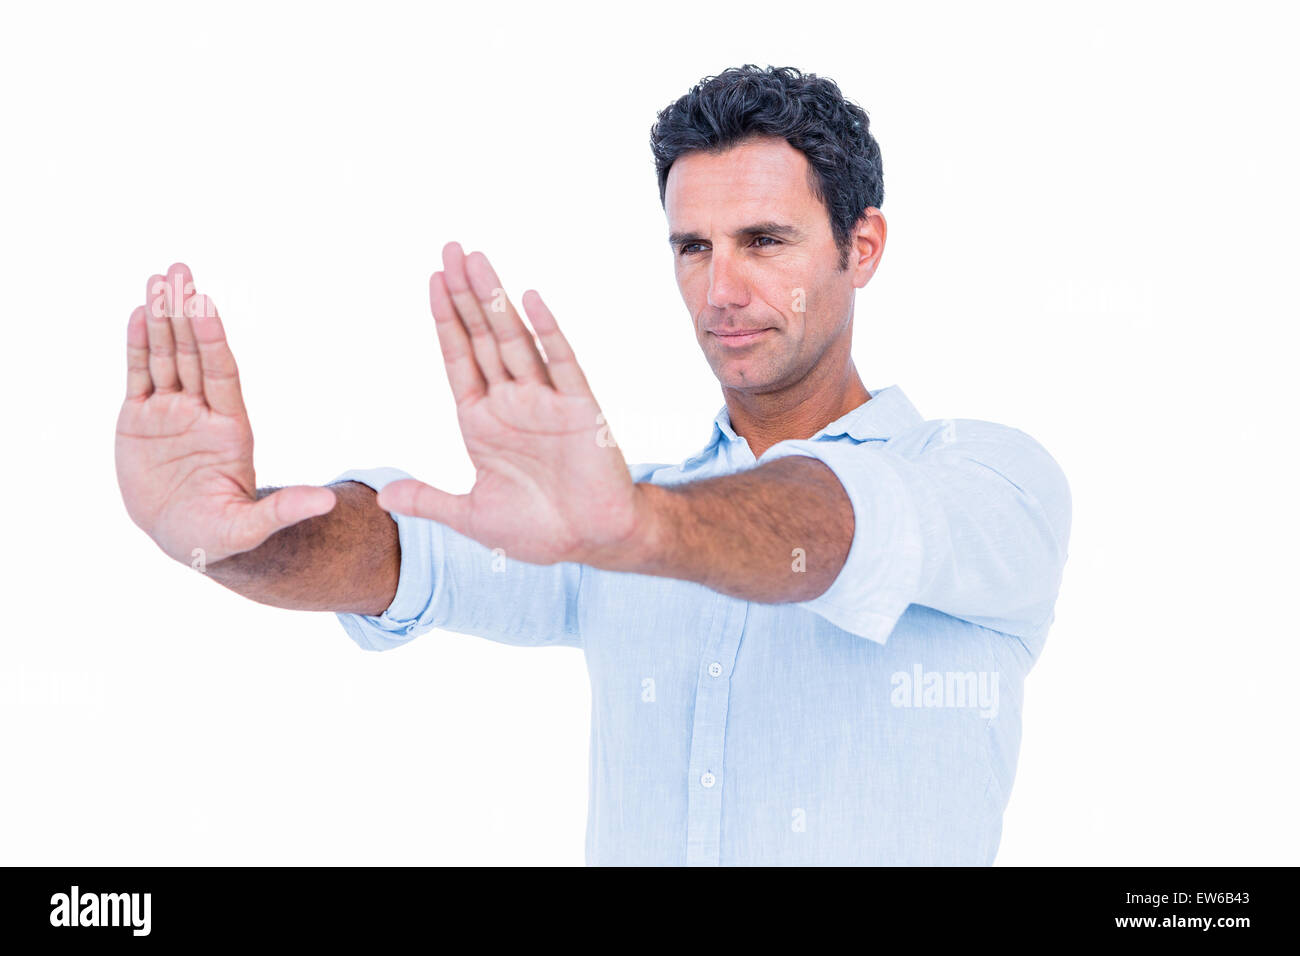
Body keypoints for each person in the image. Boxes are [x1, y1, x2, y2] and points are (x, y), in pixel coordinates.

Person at [115, 64, 1071, 865]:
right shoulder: (616, 514)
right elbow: (402, 561)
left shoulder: (993, 483)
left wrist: (637, 525)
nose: (722, 289)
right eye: (692, 247)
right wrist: (229, 535)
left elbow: (840, 525)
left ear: (861, 247)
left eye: (764, 241)